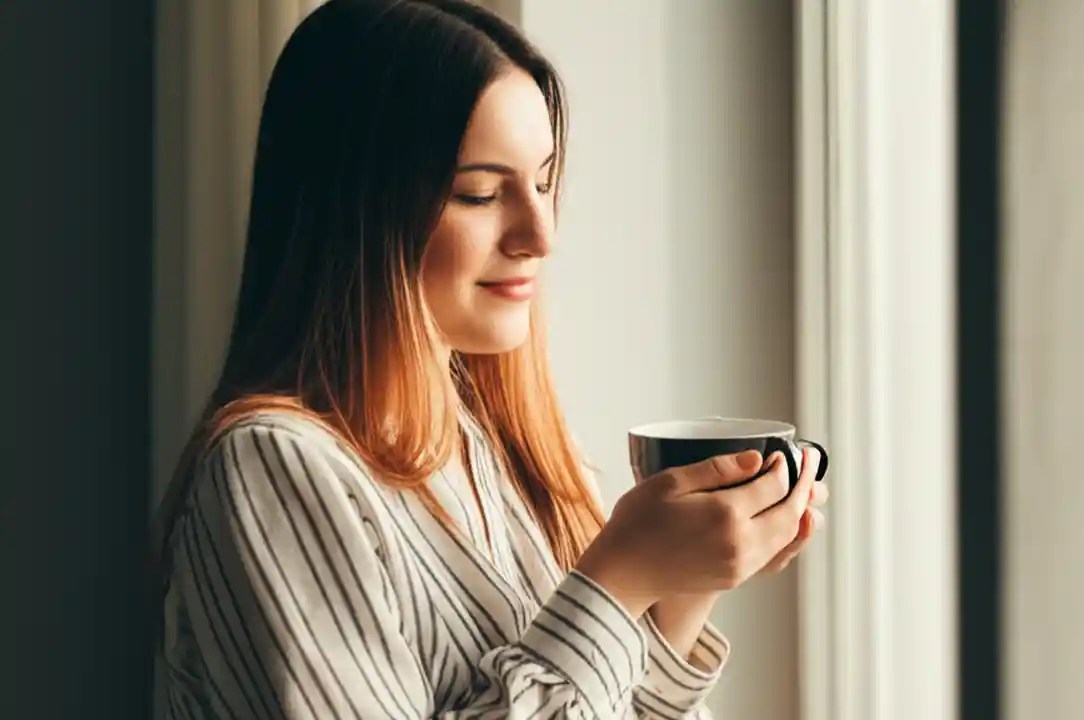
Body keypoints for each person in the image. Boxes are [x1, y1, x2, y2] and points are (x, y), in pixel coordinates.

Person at [152, 1, 829, 717]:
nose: (541, 234)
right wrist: (620, 580)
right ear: (360, 215)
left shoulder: (510, 460)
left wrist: (681, 590)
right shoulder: (275, 468)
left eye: (543, 182)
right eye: (479, 194)